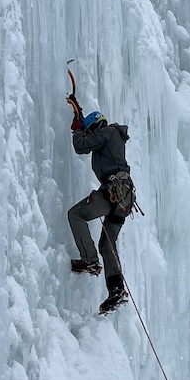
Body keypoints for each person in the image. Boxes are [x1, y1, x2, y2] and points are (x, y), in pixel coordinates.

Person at [67, 105, 136, 314]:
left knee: (76, 214)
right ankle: (116, 290)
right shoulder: (111, 136)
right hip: (124, 198)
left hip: (113, 191)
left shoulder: (108, 132)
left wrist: (78, 129)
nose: (90, 135)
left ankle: (89, 260)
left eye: (90, 131)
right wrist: (79, 118)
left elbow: (81, 145)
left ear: (96, 127)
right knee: (107, 244)